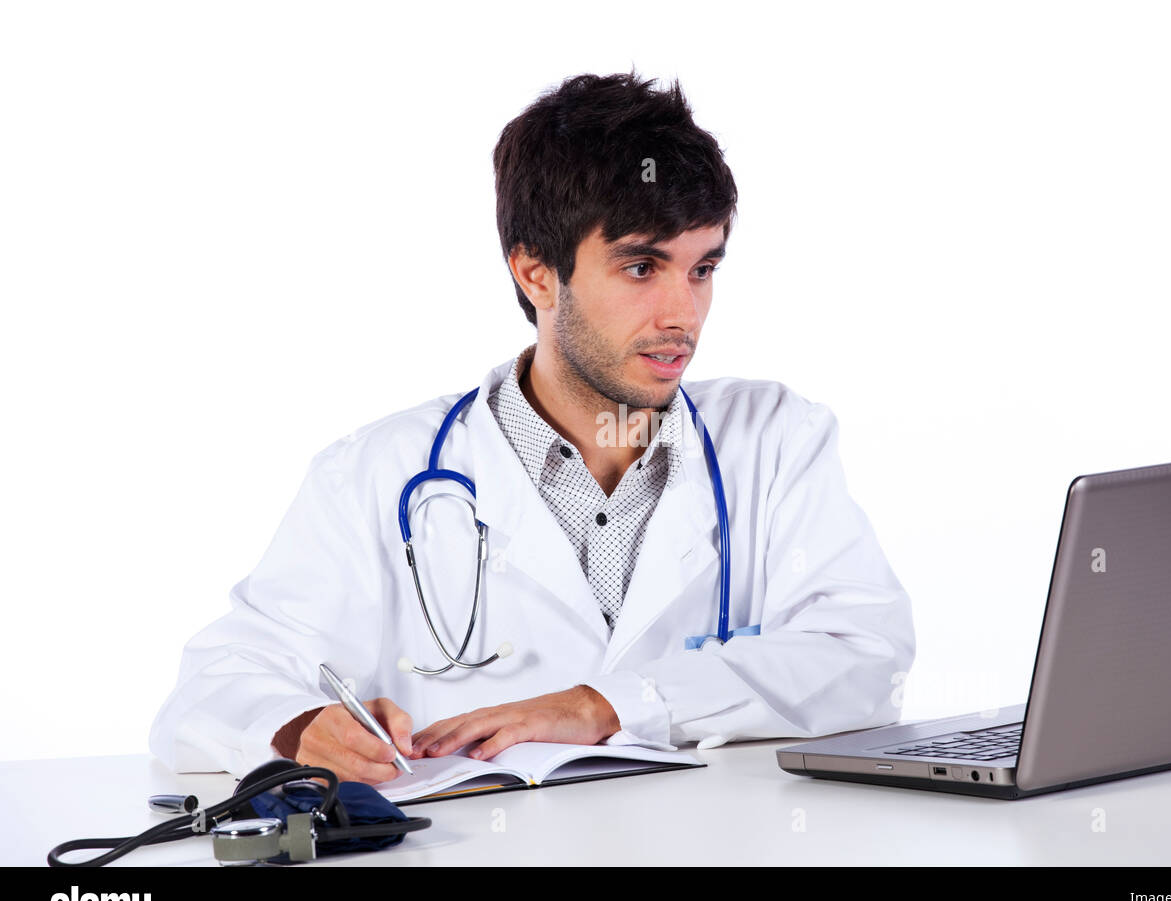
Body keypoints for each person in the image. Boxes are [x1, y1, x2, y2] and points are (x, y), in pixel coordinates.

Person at [150, 71, 915, 784]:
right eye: (642, 268)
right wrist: (299, 726)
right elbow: (217, 682)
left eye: (703, 269)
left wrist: (607, 704)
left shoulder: (773, 439)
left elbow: (863, 659)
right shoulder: (375, 475)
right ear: (535, 272)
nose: (683, 315)